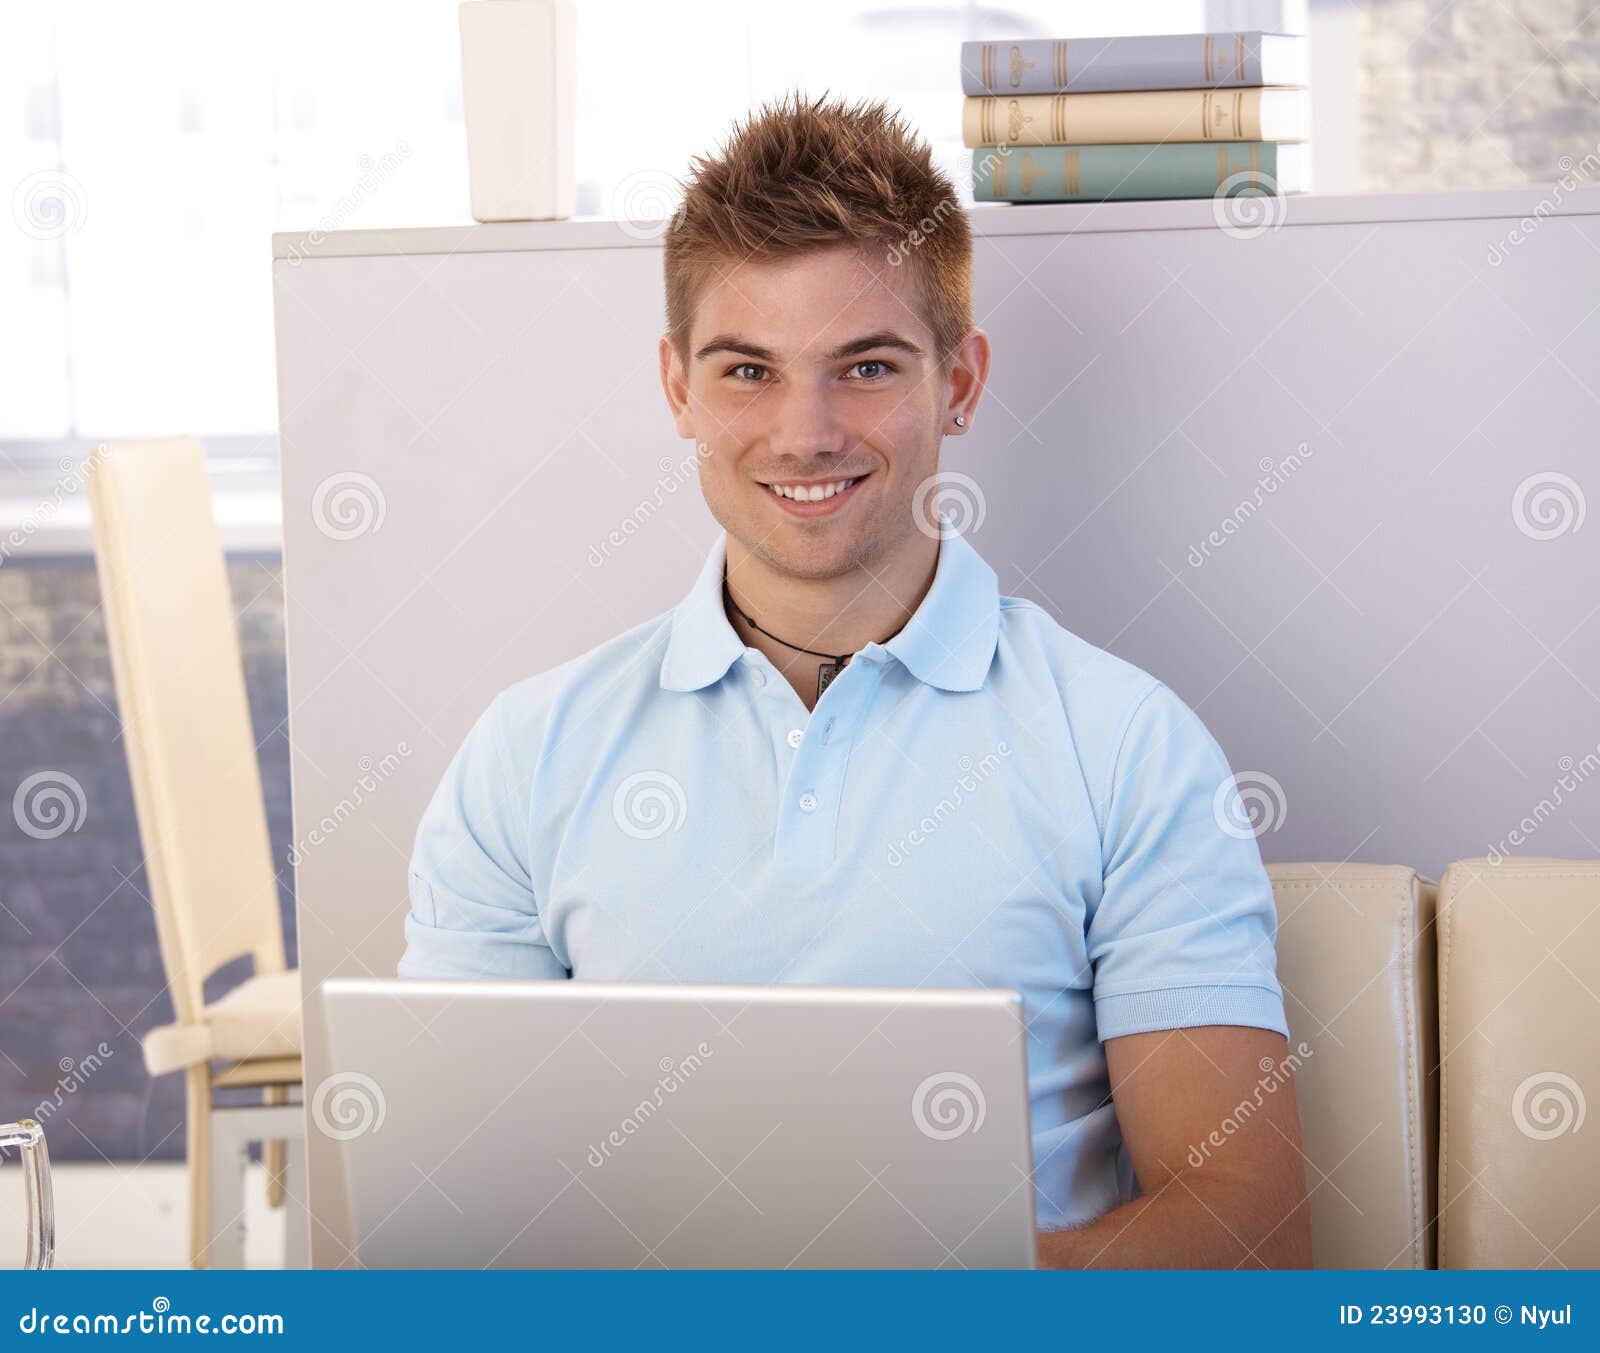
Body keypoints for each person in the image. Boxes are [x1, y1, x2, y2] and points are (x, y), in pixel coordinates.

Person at [400, 91, 1311, 1269]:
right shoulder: (527, 754)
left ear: (960, 383)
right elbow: (448, 1213)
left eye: (866, 366)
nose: (805, 432)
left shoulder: (1125, 744)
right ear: (677, 387)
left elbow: (1250, 1222)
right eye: (747, 372)